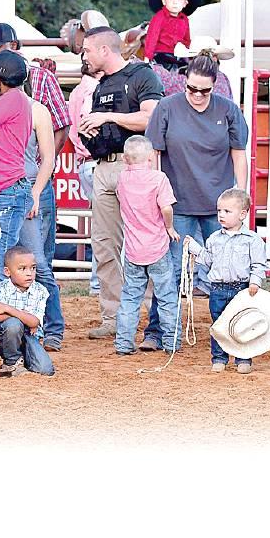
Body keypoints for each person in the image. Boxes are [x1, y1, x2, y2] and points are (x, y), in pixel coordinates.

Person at [0, 50, 64, 354]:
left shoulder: (15, 102)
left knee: (7, 264)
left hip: (8, 193)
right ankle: (9, 329)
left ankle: (9, 330)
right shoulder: (11, 103)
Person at [145, 54, 249, 348]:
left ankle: (235, 330)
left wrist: (241, 195)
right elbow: (155, 154)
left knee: (230, 270)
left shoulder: (228, 110)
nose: (198, 95)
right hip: (178, 203)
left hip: (221, 204)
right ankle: (159, 331)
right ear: (184, 83)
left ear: (215, 86)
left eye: (205, 90)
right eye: (192, 89)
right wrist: (157, 196)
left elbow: (238, 154)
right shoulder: (167, 107)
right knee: (172, 271)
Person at [0, 22, 72, 277]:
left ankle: (43, 317)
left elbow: (61, 129)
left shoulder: (33, 83)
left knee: (33, 260)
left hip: (25, 179)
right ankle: (14, 315)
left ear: (14, 47)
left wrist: (38, 180)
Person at [78, 26, 164, 340]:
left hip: (138, 168)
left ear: (104, 50)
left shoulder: (143, 75)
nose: (84, 56)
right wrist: (92, 131)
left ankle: (156, 318)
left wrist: (107, 118)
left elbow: (150, 118)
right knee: (104, 243)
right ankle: (113, 316)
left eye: (87, 50)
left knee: (147, 241)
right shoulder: (100, 86)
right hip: (105, 165)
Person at [186, 189, 267, 374]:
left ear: (242, 214)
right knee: (219, 325)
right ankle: (219, 358)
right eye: (219, 211)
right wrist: (195, 249)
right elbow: (207, 260)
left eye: (227, 211)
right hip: (218, 289)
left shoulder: (252, 240)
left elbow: (258, 264)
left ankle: (243, 358)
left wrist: (255, 282)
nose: (221, 215)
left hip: (242, 289)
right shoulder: (214, 239)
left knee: (243, 324)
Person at [114, 136, 180, 355]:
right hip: (158, 247)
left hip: (133, 248)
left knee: (130, 297)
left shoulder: (122, 178)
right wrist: (169, 227)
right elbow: (167, 208)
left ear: (125, 158)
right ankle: (171, 342)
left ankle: (123, 343)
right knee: (167, 296)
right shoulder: (159, 178)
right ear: (151, 157)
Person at [0, 246, 55, 377]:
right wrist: (24, 316)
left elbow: (35, 321)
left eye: (33, 268)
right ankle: (11, 362)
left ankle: (20, 362)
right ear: (7, 272)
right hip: (4, 337)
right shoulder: (1, 288)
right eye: (22, 269)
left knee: (45, 370)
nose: (29, 273)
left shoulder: (40, 290)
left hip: (30, 337)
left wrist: (8, 309)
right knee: (13, 324)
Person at [67, 61, 102, 295]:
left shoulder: (79, 90)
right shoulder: (93, 92)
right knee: (110, 228)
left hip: (86, 162)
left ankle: (98, 284)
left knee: (102, 226)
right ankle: (100, 284)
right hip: (96, 161)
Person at [143, 0, 202, 71]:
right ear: (164, 1)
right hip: (161, 54)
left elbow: (186, 39)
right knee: (166, 71)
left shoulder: (184, 19)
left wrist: (188, 51)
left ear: (185, 3)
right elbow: (152, 37)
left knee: (189, 70)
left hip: (179, 55)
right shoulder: (159, 17)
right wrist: (147, 58)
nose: (175, 2)